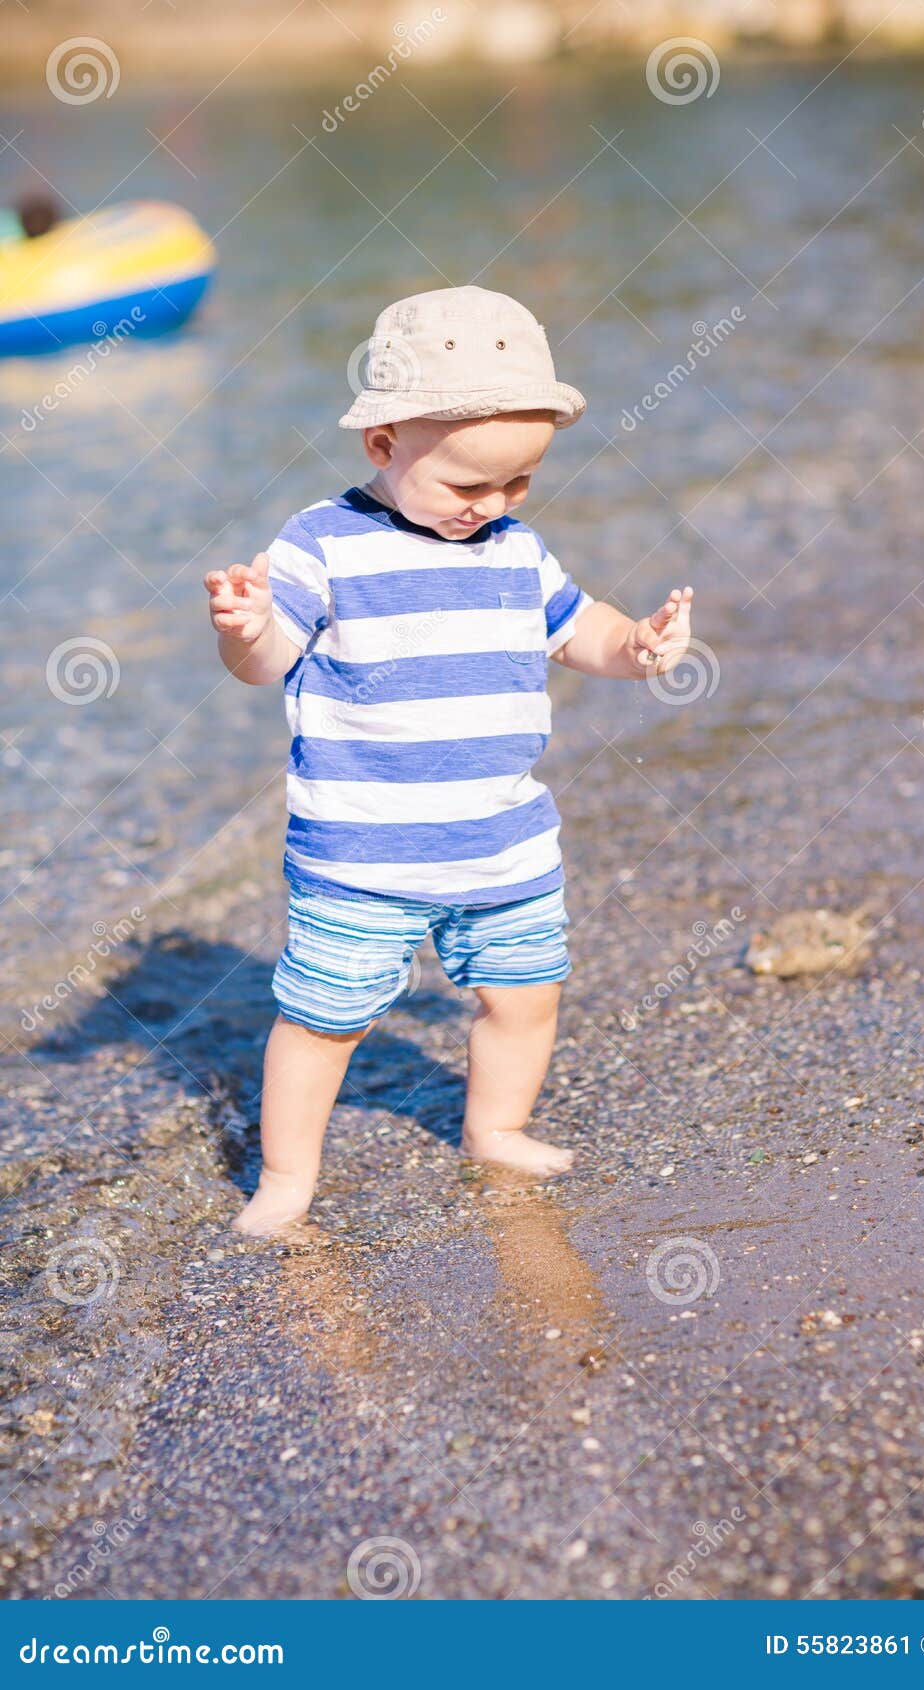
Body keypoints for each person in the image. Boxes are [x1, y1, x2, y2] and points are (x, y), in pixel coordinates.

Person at [204, 285, 694, 1236]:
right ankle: (287, 1179)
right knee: (323, 1021)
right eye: (469, 485)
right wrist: (247, 628)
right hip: (362, 857)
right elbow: (265, 668)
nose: (494, 504)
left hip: (503, 844)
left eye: (518, 483)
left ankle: (494, 1128)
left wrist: (634, 644)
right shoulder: (321, 543)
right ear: (383, 444)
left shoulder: (516, 547)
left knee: (525, 998)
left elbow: (574, 628)